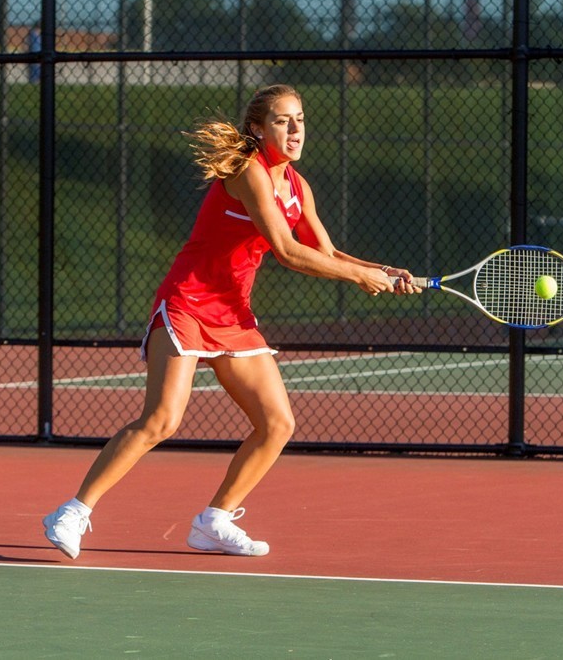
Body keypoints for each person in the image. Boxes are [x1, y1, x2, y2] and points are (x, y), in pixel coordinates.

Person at [43, 84, 420, 559]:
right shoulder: (248, 172)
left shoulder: (299, 187)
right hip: (187, 303)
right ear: (259, 129)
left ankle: (213, 522)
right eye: (283, 120)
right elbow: (286, 251)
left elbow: (325, 252)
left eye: (300, 118)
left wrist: (379, 271)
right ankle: (74, 511)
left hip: (233, 313)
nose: (296, 129)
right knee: (162, 420)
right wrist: (360, 277)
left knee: (277, 424)